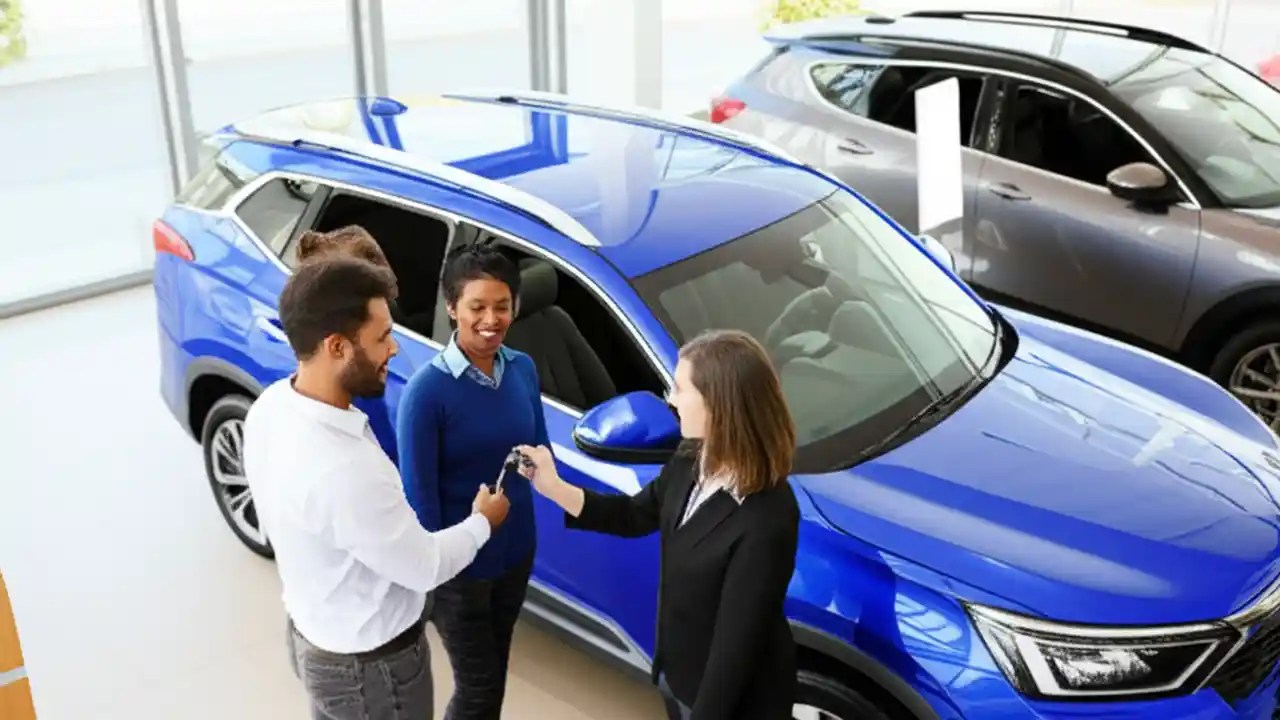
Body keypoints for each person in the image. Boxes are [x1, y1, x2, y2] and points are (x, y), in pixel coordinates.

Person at [243, 256, 510, 720]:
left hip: (312, 634)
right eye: (382, 337)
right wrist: (483, 522)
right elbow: (425, 566)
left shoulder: (270, 408)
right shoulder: (344, 470)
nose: (393, 350)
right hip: (372, 674)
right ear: (337, 346)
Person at [517, 329, 800, 720]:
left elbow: (735, 652)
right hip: (678, 673)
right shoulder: (690, 459)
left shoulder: (768, 518)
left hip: (730, 704)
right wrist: (552, 487)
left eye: (681, 389)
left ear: (718, 404)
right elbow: (633, 515)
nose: (671, 400)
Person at [397, 243, 549, 720]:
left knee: (493, 675)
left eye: (502, 306)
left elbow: (538, 454)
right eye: (477, 307)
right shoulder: (426, 394)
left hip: (516, 552)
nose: (491, 319)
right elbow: (420, 504)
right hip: (460, 573)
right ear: (451, 308)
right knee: (479, 690)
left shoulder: (522, 368)